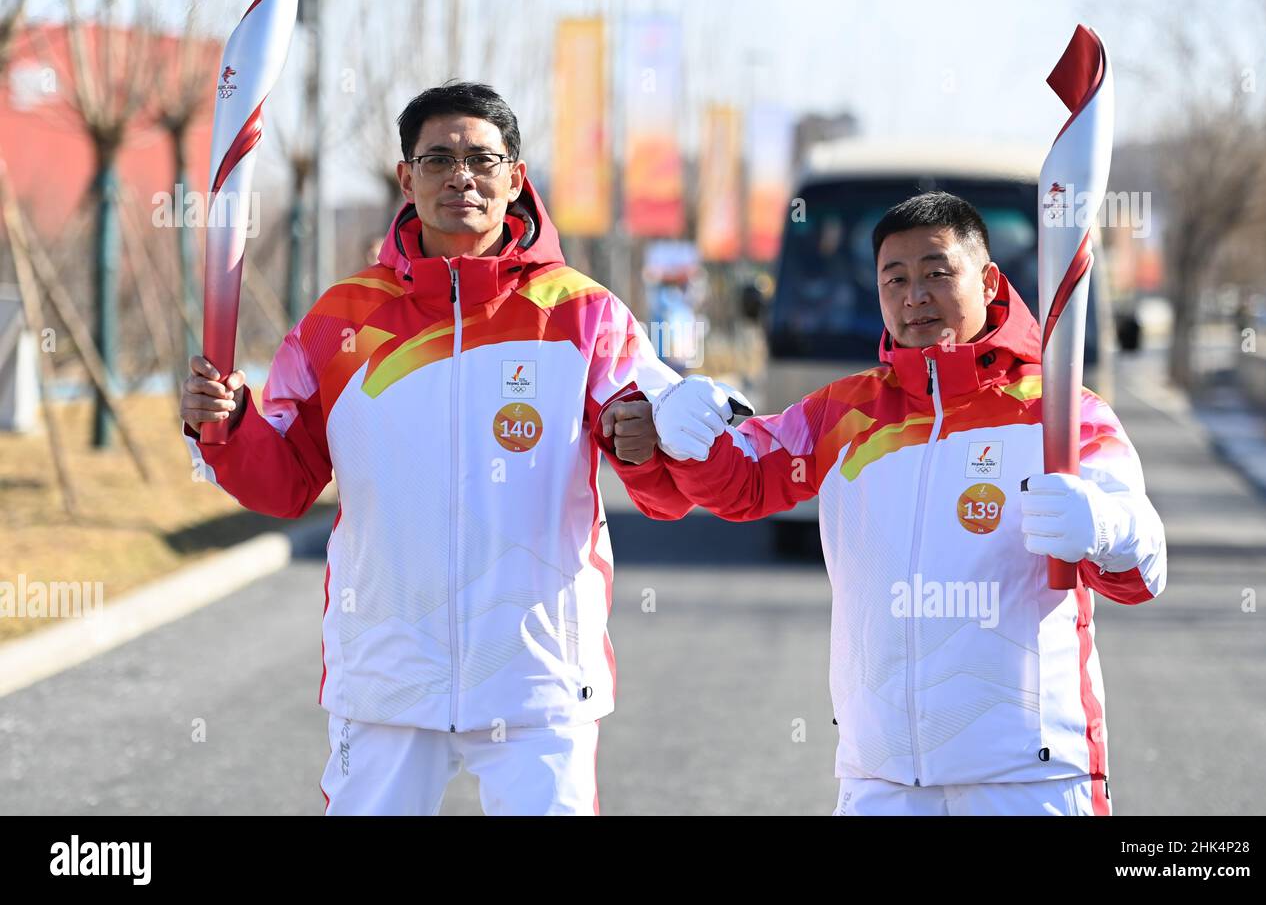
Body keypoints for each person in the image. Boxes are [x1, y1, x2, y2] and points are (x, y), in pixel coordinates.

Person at [180, 82, 690, 815]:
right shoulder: (339, 321)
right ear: (405, 176)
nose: (462, 177)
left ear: (515, 177)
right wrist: (227, 426)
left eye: (483, 159)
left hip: (536, 678)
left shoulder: (585, 315)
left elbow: (668, 488)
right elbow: (282, 483)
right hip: (389, 676)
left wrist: (646, 449)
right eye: (439, 158)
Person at [650, 191, 1167, 816]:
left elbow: (1143, 573)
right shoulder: (845, 414)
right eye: (894, 280)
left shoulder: (1061, 414)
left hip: (1029, 777)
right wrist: (688, 434)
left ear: (988, 279)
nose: (914, 295)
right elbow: (744, 481)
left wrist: (1107, 526)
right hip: (882, 778)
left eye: (936, 273)